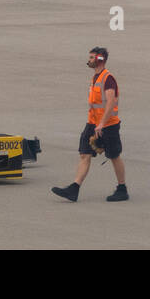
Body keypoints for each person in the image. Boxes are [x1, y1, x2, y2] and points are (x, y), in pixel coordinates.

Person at [51, 47, 127, 202]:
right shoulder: (95, 77)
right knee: (85, 153)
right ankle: (74, 188)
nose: (89, 59)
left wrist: (102, 124)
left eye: (92, 57)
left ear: (100, 59)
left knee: (114, 156)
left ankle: (122, 188)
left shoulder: (108, 78)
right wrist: (95, 124)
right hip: (92, 123)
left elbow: (111, 102)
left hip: (108, 125)